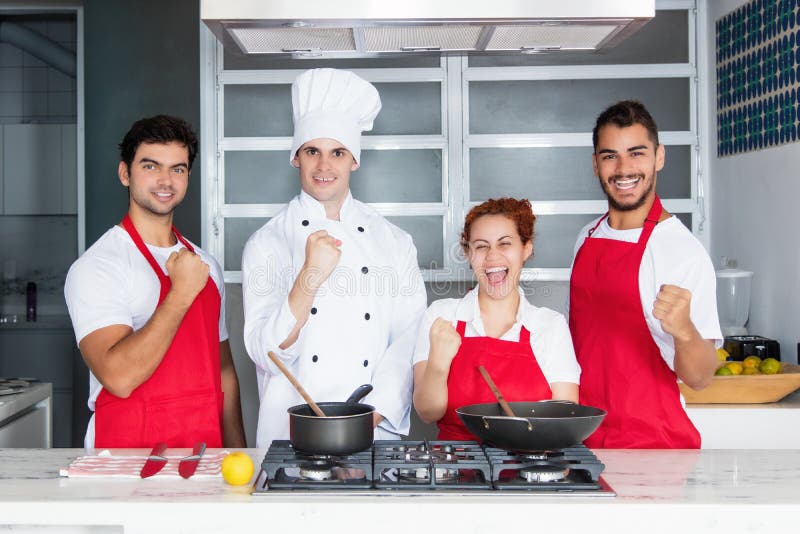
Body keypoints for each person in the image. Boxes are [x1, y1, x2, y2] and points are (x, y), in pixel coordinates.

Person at [242, 68, 427, 447]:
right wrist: (309, 276)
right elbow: (265, 352)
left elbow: (410, 337)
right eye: (313, 152)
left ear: (354, 161)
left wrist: (369, 415)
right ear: (296, 158)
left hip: (374, 432)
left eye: (337, 153)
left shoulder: (394, 241)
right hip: (292, 431)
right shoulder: (266, 243)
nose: (324, 166)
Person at [65, 115, 245, 448]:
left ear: (188, 177)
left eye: (177, 169)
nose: (165, 180)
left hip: (203, 455)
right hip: (125, 461)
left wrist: (238, 454)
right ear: (125, 174)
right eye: (150, 167)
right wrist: (181, 294)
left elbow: (223, 372)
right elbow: (118, 377)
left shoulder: (205, 265)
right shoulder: (98, 267)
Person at [569, 100, 722, 449]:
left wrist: (684, 332)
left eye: (636, 153)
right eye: (610, 156)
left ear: (659, 157)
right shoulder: (587, 236)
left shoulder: (682, 252)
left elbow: (700, 378)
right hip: (585, 438)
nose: (623, 169)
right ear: (596, 164)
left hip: (653, 443)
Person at [412, 198, 580, 440]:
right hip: (455, 470)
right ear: (468, 253)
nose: (493, 257)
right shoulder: (443, 317)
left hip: (527, 468)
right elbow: (428, 413)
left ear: (526, 249)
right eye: (481, 246)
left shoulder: (550, 326)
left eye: (505, 244)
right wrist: (438, 364)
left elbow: (563, 420)